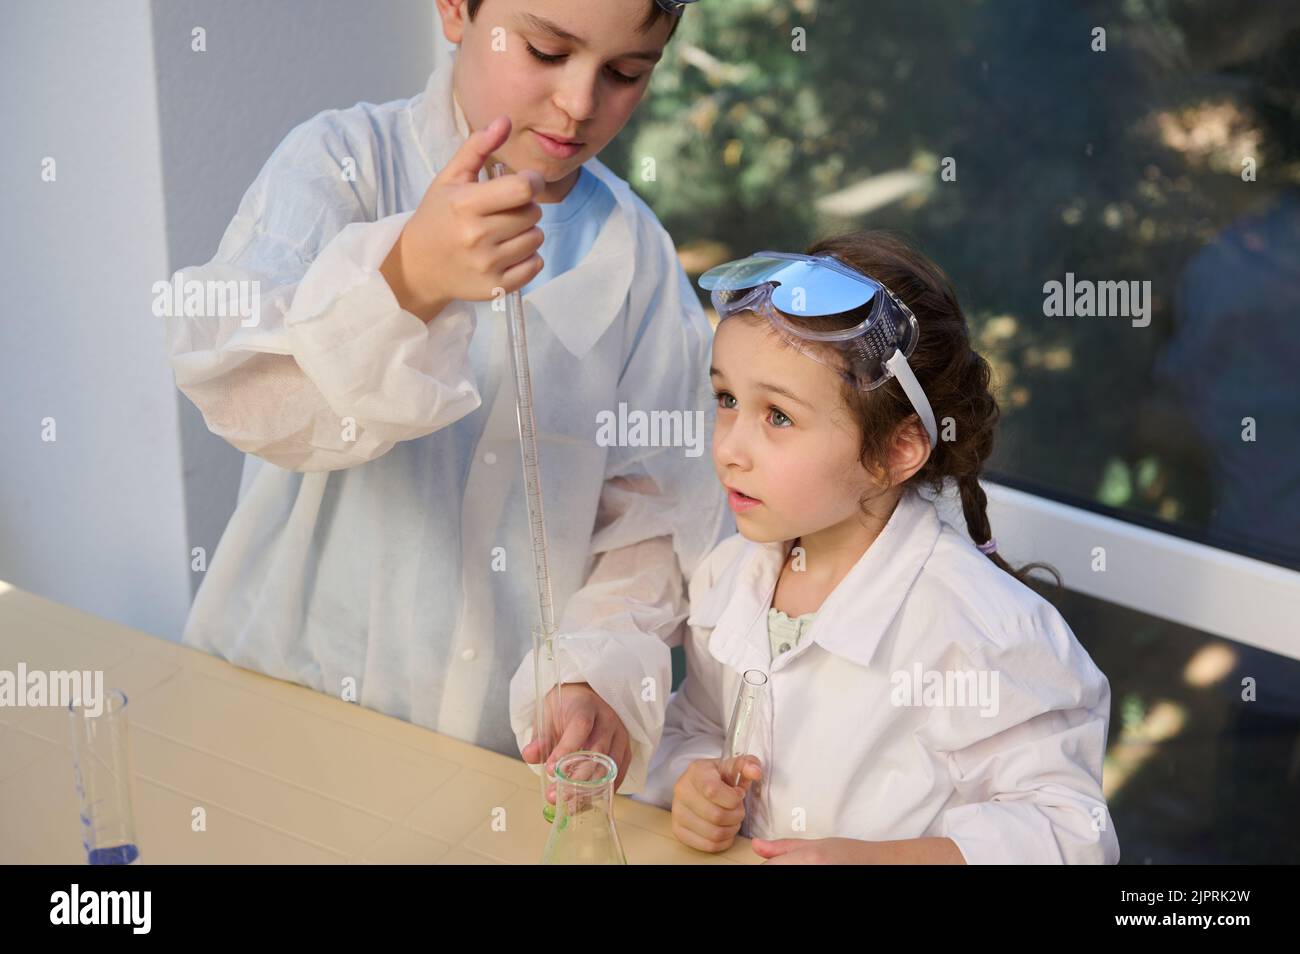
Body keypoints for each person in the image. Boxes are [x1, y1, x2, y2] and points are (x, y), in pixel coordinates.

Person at [163, 0, 727, 795]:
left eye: (626, 73)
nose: (578, 104)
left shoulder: (637, 259)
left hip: (493, 767)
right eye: (545, 49)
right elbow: (233, 387)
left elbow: (651, 515)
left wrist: (592, 674)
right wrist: (405, 279)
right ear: (457, 8)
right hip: (281, 710)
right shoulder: (344, 164)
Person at [639, 231, 1120, 863]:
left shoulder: (983, 632)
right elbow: (698, 725)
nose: (729, 446)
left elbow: (1069, 834)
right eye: (727, 399)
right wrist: (692, 781)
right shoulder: (730, 577)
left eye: (777, 417)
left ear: (896, 452)